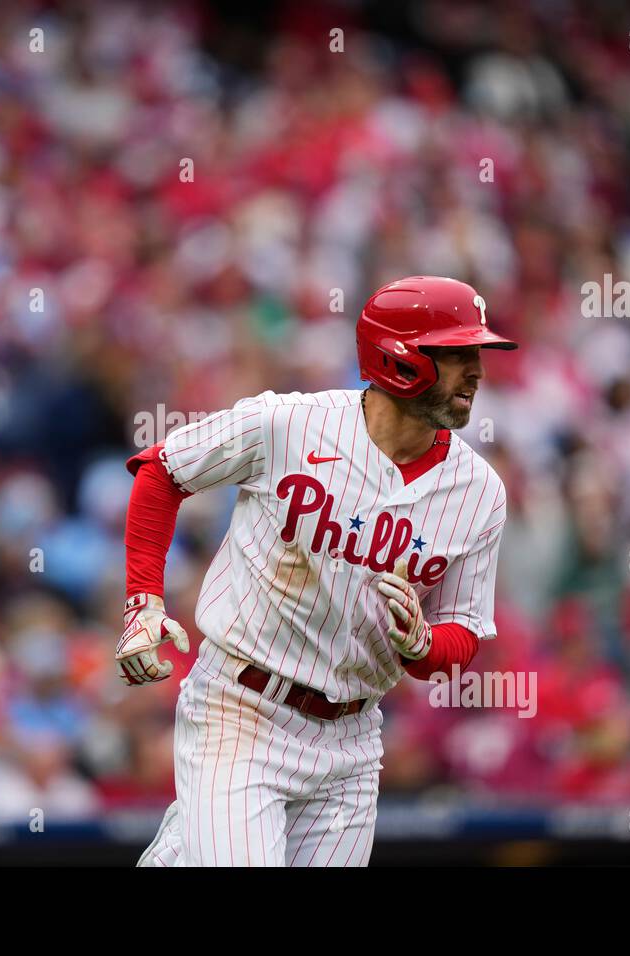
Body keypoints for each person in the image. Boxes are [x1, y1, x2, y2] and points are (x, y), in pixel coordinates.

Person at [119, 277, 516, 866]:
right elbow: (163, 469)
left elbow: (463, 635)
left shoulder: (479, 493)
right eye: (456, 353)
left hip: (352, 740)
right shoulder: (289, 424)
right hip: (241, 707)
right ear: (398, 356)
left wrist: (425, 645)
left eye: (476, 354)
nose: (476, 372)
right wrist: (143, 602)